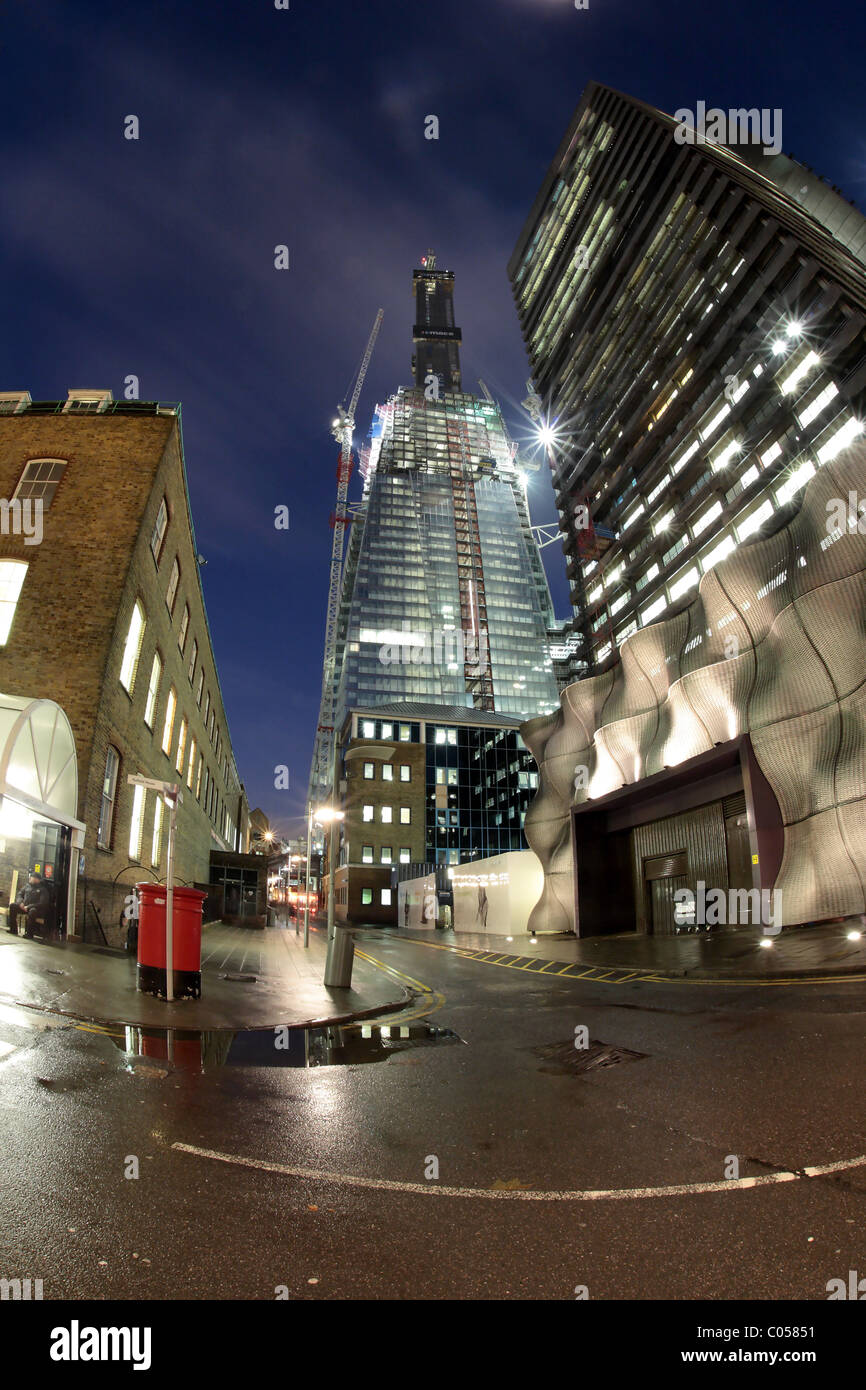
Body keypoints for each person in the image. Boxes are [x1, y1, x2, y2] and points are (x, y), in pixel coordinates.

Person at [8, 872, 50, 938]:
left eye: (33, 878)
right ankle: (13, 929)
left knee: (32, 911)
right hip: (23, 907)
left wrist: (29, 906)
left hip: (34, 909)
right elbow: (19, 894)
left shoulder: (43, 890)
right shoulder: (27, 886)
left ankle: (29, 934)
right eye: (31, 878)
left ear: (38, 880)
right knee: (12, 906)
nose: (31, 879)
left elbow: (42, 903)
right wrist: (20, 903)